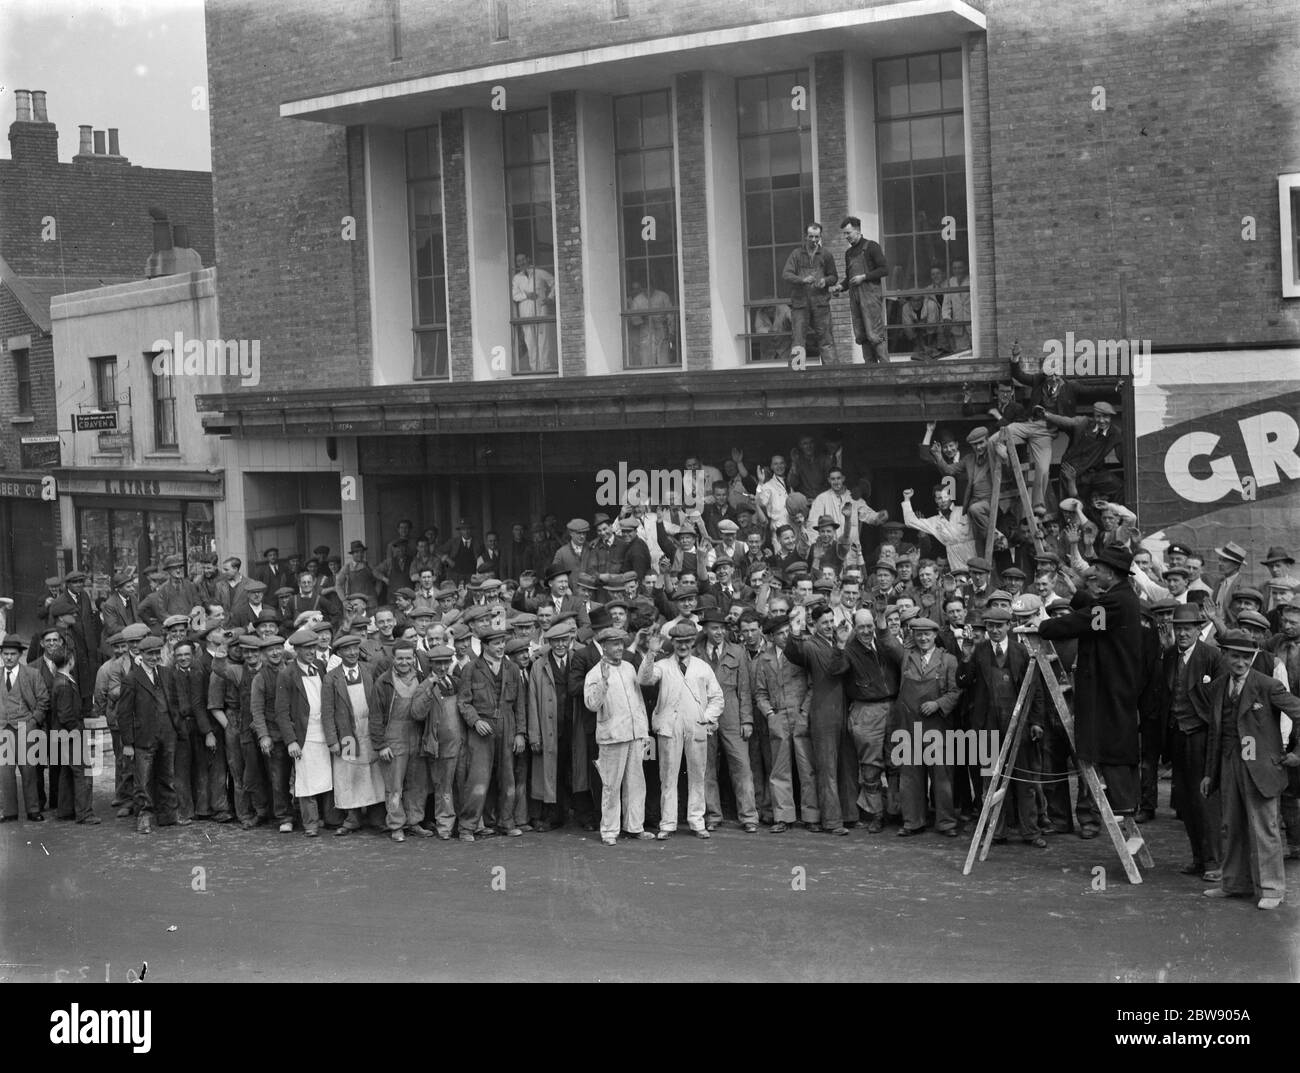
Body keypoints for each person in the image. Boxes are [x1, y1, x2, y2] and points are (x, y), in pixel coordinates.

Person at [1038, 545, 1143, 836]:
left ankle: (1122, 803)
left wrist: (1043, 627)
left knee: (1112, 744)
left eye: (1099, 570)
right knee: (1110, 740)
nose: (1095, 574)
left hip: (1111, 685)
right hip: (1114, 683)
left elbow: (1085, 621)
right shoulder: (1120, 598)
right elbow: (1094, 610)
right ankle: (1121, 802)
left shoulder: (1117, 602)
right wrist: (1078, 595)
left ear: (1110, 572)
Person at [1202, 630, 1300, 910]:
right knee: (1231, 825)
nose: (1241, 662)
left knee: (1264, 828)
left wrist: (1296, 753)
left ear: (1254, 657)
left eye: (1246, 657)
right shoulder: (1220, 686)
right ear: (1225, 655)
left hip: (1261, 768)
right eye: (1235, 656)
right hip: (1230, 763)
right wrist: (1210, 773)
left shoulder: (1268, 686)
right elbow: (1215, 734)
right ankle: (1234, 884)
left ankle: (1272, 889)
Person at [958, 606, 1045, 846]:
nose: (994, 630)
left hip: (1019, 724)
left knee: (1025, 781)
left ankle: (1031, 832)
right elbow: (962, 682)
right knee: (991, 779)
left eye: (999, 626)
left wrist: (1036, 722)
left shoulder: (1022, 651)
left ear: (1009, 626)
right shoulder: (978, 652)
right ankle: (997, 830)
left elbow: (1035, 691)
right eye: (990, 626)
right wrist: (965, 656)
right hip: (988, 724)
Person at [639, 620, 723, 839]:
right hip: (669, 726)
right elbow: (644, 679)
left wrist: (706, 717)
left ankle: (697, 821)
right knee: (668, 776)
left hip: (695, 726)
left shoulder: (702, 667)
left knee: (697, 775)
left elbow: (717, 697)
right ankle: (668, 823)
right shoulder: (663, 665)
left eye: (687, 642)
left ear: (693, 643)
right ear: (673, 643)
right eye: (678, 642)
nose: (683, 646)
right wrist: (651, 653)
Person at [783, 602, 853, 834]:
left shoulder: (836, 640)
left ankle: (849, 815)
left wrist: (841, 643)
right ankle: (832, 822)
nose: (829, 626)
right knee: (827, 769)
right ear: (814, 624)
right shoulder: (811, 645)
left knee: (844, 765)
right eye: (824, 623)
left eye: (831, 622)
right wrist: (794, 630)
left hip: (840, 710)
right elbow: (833, 668)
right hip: (823, 712)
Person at [583, 626, 653, 845]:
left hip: (634, 734)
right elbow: (592, 704)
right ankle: (609, 830)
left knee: (636, 782)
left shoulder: (630, 667)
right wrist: (603, 682)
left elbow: (639, 700)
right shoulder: (595, 672)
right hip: (612, 735)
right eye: (614, 644)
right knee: (611, 785)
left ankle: (634, 827)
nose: (619, 647)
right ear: (604, 646)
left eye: (621, 643)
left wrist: (643, 730)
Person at [895, 617, 963, 837]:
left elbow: (955, 692)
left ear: (935, 635)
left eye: (927, 634)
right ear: (913, 636)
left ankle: (946, 822)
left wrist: (937, 704)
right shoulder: (906, 657)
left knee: (942, 776)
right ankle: (912, 821)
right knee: (910, 775)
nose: (923, 638)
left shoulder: (949, 660)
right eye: (918, 634)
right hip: (909, 725)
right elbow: (887, 642)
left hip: (937, 725)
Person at [457, 628, 527, 841]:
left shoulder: (512, 668)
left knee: (508, 777)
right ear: (485, 646)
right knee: (478, 778)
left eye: (502, 643)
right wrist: (475, 721)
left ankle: (506, 822)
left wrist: (520, 733)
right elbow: (463, 702)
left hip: (508, 725)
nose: (500, 647)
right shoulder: (471, 668)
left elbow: (520, 704)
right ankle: (467, 827)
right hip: (482, 728)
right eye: (496, 643)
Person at [697, 608, 758, 833]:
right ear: (704, 629)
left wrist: (747, 720)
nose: (719, 632)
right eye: (714, 628)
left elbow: (745, 689)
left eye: (722, 627)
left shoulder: (738, 652)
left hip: (732, 714)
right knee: (706, 767)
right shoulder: (696, 653)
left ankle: (749, 816)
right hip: (705, 714)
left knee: (741, 766)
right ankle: (712, 815)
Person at [321, 633, 385, 836]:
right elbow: (328, 711)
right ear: (339, 653)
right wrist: (333, 740)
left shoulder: (369, 670)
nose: (352, 653)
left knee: (374, 772)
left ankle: (377, 816)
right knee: (350, 773)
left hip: (370, 730)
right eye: (346, 650)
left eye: (355, 648)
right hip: (348, 734)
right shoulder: (332, 678)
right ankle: (353, 817)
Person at [118, 636, 178, 834]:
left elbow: (173, 702)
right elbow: (124, 713)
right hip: (144, 735)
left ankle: (168, 815)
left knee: (167, 775)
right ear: (141, 655)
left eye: (156, 653)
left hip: (167, 732)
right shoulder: (131, 679)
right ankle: (144, 817)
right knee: (142, 780)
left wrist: (175, 728)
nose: (154, 657)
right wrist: (128, 742)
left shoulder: (167, 673)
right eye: (149, 654)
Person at [371, 642, 430, 842]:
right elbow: (376, 716)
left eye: (408, 658)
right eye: (400, 658)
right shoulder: (384, 682)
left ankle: (414, 821)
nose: (404, 662)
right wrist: (381, 745)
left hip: (417, 735)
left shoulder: (422, 678)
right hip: (394, 737)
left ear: (414, 658)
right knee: (394, 785)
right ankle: (396, 824)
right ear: (393, 659)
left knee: (417, 783)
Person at [0, 636, 49, 823]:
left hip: (25, 728)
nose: (9, 658)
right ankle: (10, 812)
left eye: (13, 654)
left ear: (20, 655)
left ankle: (33, 810)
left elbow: (43, 700)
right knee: (5, 773)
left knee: (29, 771)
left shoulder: (32, 674)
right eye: (6, 654)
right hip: (3, 730)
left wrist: (33, 722)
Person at [782, 222, 840, 364]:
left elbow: (834, 276)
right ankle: (797, 373)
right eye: (811, 237)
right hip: (800, 304)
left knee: (826, 338)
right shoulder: (796, 254)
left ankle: (832, 375)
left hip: (820, 303)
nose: (814, 240)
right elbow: (786, 274)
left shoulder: (826, 255)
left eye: (817, 237)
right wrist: (802, 280)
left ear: (820, 237)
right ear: (805, 237)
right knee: (798, 339)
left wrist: (825, 281)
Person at [834, 215, 889, 363]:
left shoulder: (872, 247)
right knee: (862, 335)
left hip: (870, 298)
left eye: (848, 233)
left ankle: (887, 371)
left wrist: (864, 277)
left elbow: (884, 269)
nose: (846, 237)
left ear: (857, 231)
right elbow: (849, 278)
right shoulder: (849, 253)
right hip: (855, 299)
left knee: (875, 334)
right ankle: (869, 371)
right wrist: (840, 286)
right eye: (844, 233)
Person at [512, 253, 557, 372]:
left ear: (528, 259)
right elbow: (515, 296)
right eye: (518, 261)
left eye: (523, 260)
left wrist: (550, 298)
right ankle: (534, 369)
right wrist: (526, 295)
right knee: (530, 341)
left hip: (540, 310)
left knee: (543, 340)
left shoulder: (539, 273)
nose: (521, 263)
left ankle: (545, 368)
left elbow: (555, 282)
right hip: (525, 313)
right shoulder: (517, 278)